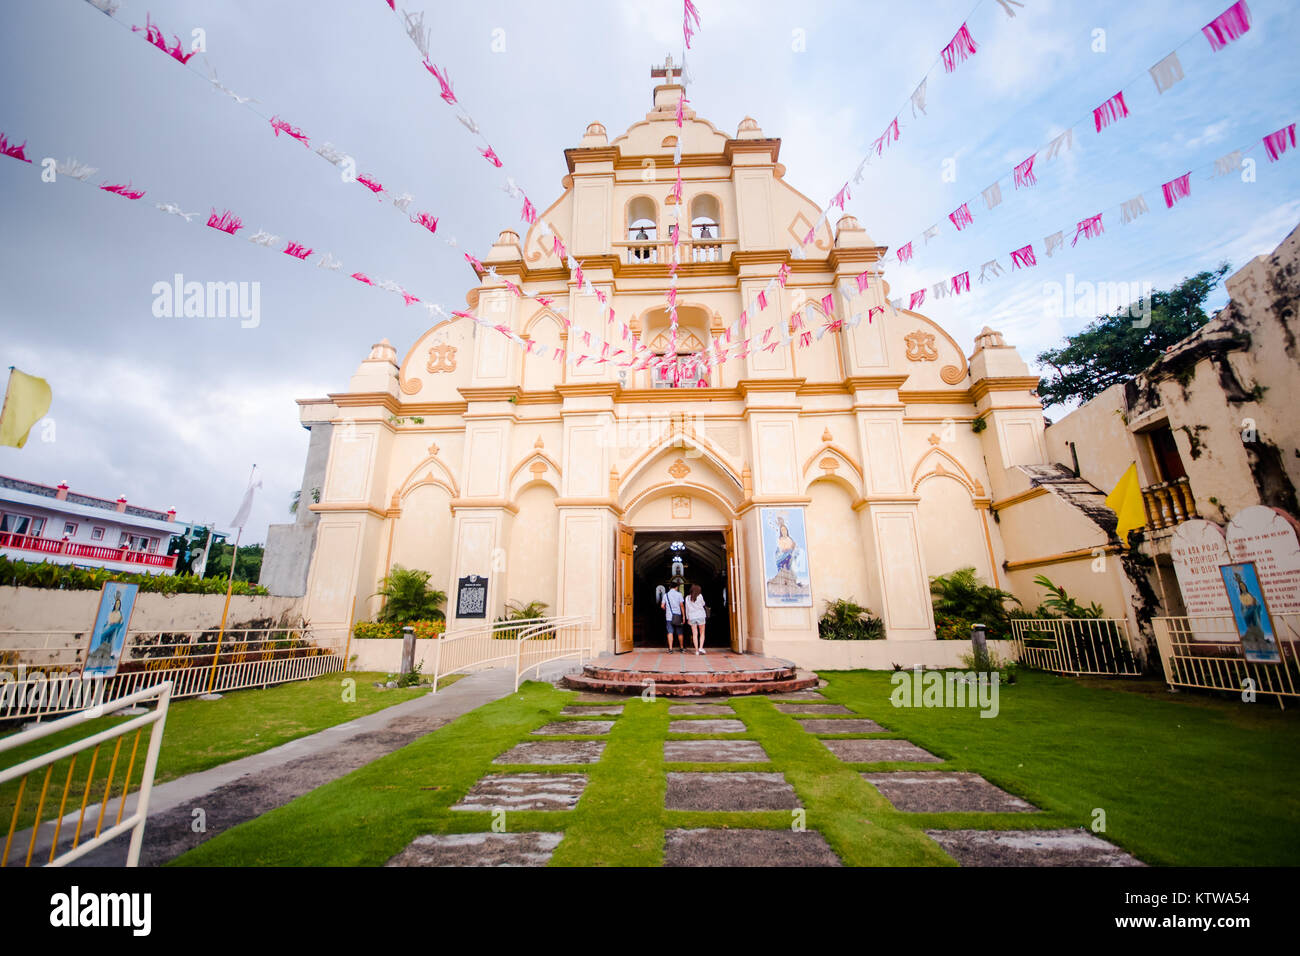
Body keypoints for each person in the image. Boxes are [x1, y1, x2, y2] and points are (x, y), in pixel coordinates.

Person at [661, 582, 685, 653]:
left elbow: (662, 606)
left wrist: (667, 609)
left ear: (669, 587)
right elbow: (681, 605)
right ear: (676, 587)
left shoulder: (666, 595)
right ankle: (681, 648)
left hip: (669, 616)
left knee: (670, 632)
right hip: (678, 616)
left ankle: (670, 649)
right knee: (680, 632)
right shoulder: (679, 594)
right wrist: (683, 616)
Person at [684, 584, 708, 655]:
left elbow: (687, 609)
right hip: (700, 615)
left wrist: (687, 618)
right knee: (702, 633)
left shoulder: (687, 598)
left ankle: (696, 650)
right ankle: (701, 647)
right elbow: (703, 604)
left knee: (694, 634)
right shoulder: (700, 596)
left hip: (692, 616)